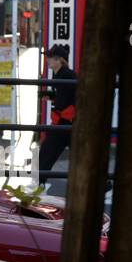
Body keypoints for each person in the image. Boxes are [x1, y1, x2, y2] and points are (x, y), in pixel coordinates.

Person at [38, 43, 77, 174]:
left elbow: (66, 98)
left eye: (50, 57)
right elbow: (64, 95)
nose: (47, 60)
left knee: (45, 154)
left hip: (65, 122)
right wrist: (50, 95)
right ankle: (104, 185)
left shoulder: (66, 74)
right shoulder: (60, 74)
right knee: (81, 157)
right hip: (66, 122)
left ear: (59, 60)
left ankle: (39, 184)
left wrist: (52, 97)